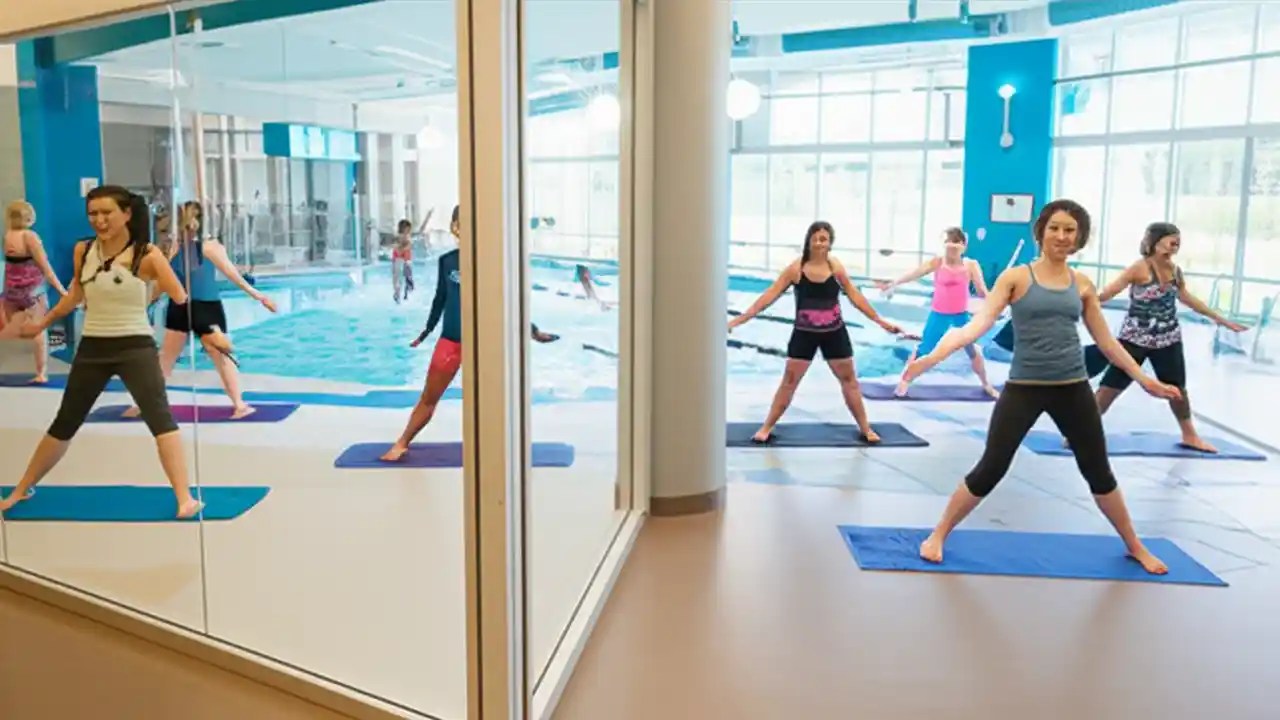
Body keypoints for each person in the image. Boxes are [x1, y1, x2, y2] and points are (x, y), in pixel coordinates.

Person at [903, 199, 1180, 574]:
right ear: (1041, 232)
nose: (1062, 236)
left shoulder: (1081, 284)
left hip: (1073, 387)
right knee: (991, 467)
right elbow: (975, 326)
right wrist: (929, 360)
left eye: (1070, 230)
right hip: (1024, 386)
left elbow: (1108, 343)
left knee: (1098, 470)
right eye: (1055, 228)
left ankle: (1134, 545)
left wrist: (1146, 380)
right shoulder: (1016, 278)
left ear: (1079, 237)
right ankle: (938, 534)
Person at [0, 186, 202, 518]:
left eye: (107, 212)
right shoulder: (84, 250)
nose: (99, 220)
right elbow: (75, 296)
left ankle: (185, 498)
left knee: (160, 419)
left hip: (135, 347)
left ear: (126, 215)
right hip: (93, 347)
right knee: (66, 420)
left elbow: (179, 295)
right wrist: (42, 324)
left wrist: (152, 292)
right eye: (93, 213)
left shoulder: (146, 254)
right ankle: (21, 489)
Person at [381, 206, 558, 462]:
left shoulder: (495, 264)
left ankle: (506, 447)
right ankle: (402, 441)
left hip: (485, 343)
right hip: (452, 341)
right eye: (464, 223)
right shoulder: (448, 262)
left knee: (496, 401)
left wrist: (532, 331)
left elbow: (509, 303)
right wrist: (426, 331)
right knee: (429, 397)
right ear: (455, 227)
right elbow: (440, 299)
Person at [728, 221, 904, 445]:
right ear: (809, 241)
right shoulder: (796, 269)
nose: (821, 243)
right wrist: (741, 319)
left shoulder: (835, 267)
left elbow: (855, 297)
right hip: (804, 334)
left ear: (830, 243)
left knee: (849, 381)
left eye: (825, 239)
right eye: (817, 238)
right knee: (789, 381)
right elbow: (768, 297)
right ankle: (766, 427)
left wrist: (880, 321)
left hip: (834, 333)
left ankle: (865, 428)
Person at [1091, 222, 1248, 453]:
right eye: (1171, 239)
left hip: (1168, 339)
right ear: (1155, 241)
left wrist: (1221, 319)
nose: (1177, 243)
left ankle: (1190, 435)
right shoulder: (1139, 268)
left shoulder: (1175, 271)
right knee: (1110, 388)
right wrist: (1082, 301)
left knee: (1178, 389)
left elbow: (1188, 299)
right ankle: (1081, 433)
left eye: (1178, 240)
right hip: (1135, 339)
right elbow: (1108, 292)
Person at [123, 201, 277, 421]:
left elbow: (234, 275)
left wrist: (260, 297)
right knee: (166, 358)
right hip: (179, 307)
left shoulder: (210, 247)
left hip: (205, 308)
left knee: (220, 356)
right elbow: (163, 283)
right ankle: (144, 403)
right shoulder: (173, 249)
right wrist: (143, 305)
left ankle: (240, 404)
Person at [876, 227, 998, 398]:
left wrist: (997, 303)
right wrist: (893, 283)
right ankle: (904, 381)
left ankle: (986, 383)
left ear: (963, 246)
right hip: (939, 315)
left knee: (972, 349)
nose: (952, 247)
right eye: (948, 243)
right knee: (924, 349)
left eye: (956, 243)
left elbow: (982, 291)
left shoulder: (971, 265)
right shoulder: (938, 263)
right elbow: (915, 273)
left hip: (961, 316)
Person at [2, 201, 68, 384]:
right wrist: (62, 291)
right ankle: (41, 373)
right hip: (32, 291)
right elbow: (46, 268)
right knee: (39, 331)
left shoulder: (8, 236)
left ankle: (40, 371)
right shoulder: (30, 236)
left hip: (12, 290)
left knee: (11, 327)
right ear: (30, 217)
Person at [392, 219, 415, 303]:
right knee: (400, 279)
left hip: (405, 261)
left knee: (404, 279)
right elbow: (398, 250)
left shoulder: (406, 237)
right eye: (407, 230)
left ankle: (402, 295)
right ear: (403, 229)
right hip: (400, 261)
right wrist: (405, 246)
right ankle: (399, 294)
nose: (408, 232)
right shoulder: (401, 238)